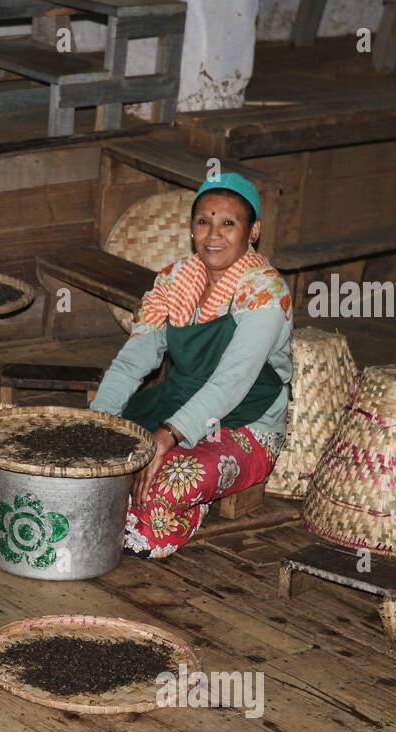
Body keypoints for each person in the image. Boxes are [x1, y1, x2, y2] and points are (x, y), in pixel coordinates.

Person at [90, 173, 293, 558]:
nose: (213, 234)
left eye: (228, 223)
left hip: (244, 423)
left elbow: (231, 384)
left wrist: (164, 439)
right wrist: (98, 423)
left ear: (253, 231)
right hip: (173, 404)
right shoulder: (173, 281)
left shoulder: (265, 293)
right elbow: (133, 360)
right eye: (204, 221)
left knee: (163, 487)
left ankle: (182, 509)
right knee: (94, 457)